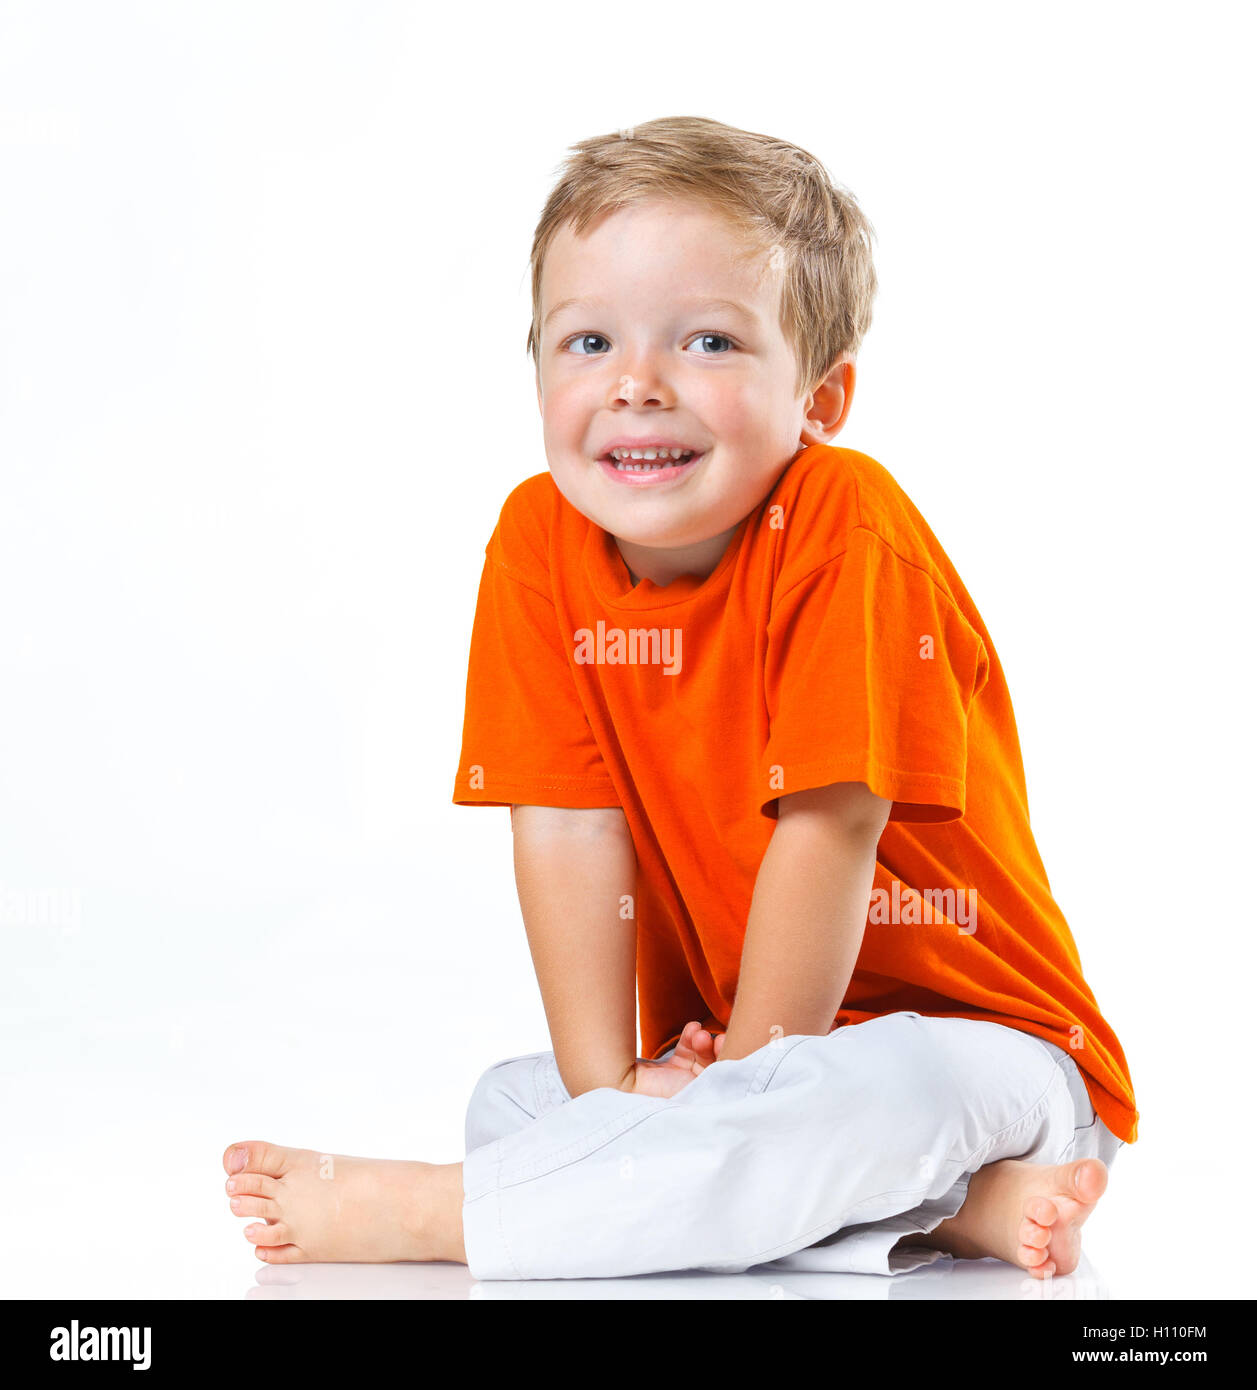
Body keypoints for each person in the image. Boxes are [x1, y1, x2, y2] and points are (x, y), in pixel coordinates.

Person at [220, 116, 1137, 1282]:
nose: (637, 384)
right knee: (525, 1097)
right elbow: (565, 829)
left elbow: (827, 830)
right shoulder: (537, 543)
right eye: (588, 340)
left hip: (991, 1057)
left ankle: (452, 1220)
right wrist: (618, 1086)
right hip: (746, 1051)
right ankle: (950, 1211)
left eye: (707, 341)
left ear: (822, 397)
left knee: (862, 1095)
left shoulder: (845, 521)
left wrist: (747, 1078)